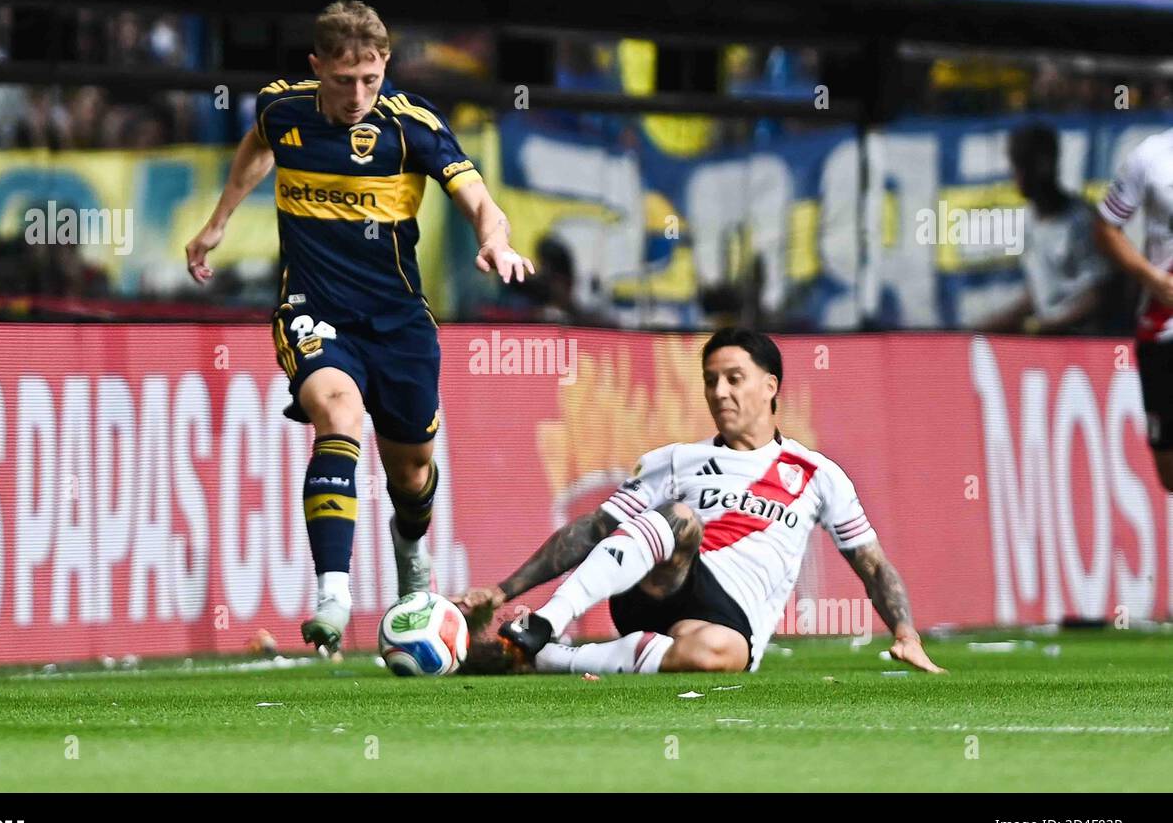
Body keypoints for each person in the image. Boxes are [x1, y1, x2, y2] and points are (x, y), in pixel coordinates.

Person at [184, 0, 531, 653]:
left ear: (385, 66)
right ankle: (334, 593)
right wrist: (221, 217)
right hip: (313, 308)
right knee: (337, 414)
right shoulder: (284, 110)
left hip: (398, 320)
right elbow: (259, 145)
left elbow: (479, 197)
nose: (357, 94)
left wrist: (496, 241)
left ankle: (410, 552)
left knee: (411, 471)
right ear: (318, 68)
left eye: (370, 79)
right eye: (344, 80)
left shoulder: (412, 126)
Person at [458, 328, 945, 675]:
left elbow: (873, 565)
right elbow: (595, 528)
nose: (719, 392)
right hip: (658, 587)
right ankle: (548, 621)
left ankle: (538, 657)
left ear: (771, 386)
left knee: (716, 657)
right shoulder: (675, 460)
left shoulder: (818, 474)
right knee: (683, 519)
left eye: (734, 378)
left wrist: (906, 635)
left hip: (732, 615)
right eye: (711, 380)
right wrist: (503, 592)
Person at [1094, 127, 1173, 491]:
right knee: (1168, 471)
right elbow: (1107, 228)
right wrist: (1153, 280)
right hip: (1163, 328)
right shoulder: (1151, 156)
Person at [978, 123, 1114, 335]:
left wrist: (1048, 327)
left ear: (1045, 165)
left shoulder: (1082, 222)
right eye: (1015, 166)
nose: (1017, 176)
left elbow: (1101, 295)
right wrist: (994, 324)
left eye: (1023, 165)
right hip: (1048, 350)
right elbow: (1042, 292)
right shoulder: (1028, 220)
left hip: (1085, 349)